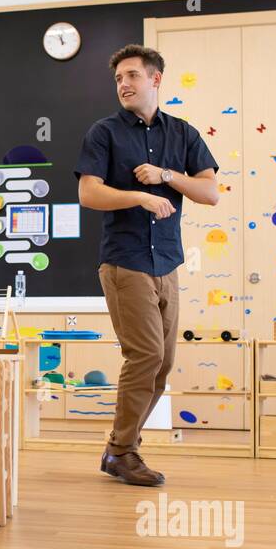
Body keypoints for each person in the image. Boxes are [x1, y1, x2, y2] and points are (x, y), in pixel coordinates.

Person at [74, 44, 219, 487]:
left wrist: (166, 176)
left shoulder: (183, 134)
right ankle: (122, 451)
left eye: (133, 76)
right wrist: (138, 195)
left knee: (163, 362)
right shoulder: (104, 133)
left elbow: (210, 192)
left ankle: (120, 448)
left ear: (155, 80)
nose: (124, 84)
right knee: (146, 354)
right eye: (119, 78)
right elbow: (89, 194)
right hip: (125, 261)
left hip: (167, 264)